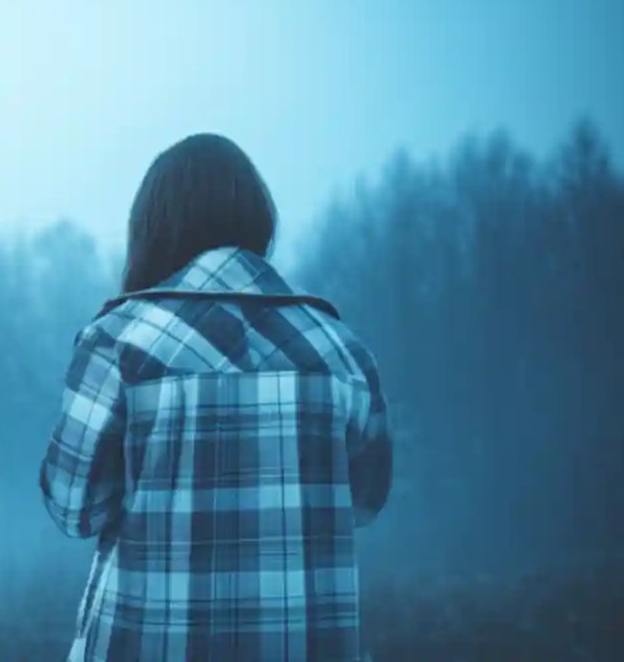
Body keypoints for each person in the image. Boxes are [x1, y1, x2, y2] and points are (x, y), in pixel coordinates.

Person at [39, 133, 392, 661]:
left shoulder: (118, 342)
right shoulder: (343, 352)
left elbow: (74, 511)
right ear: (258, 220)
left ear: (153, 228)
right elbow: (364, 504)